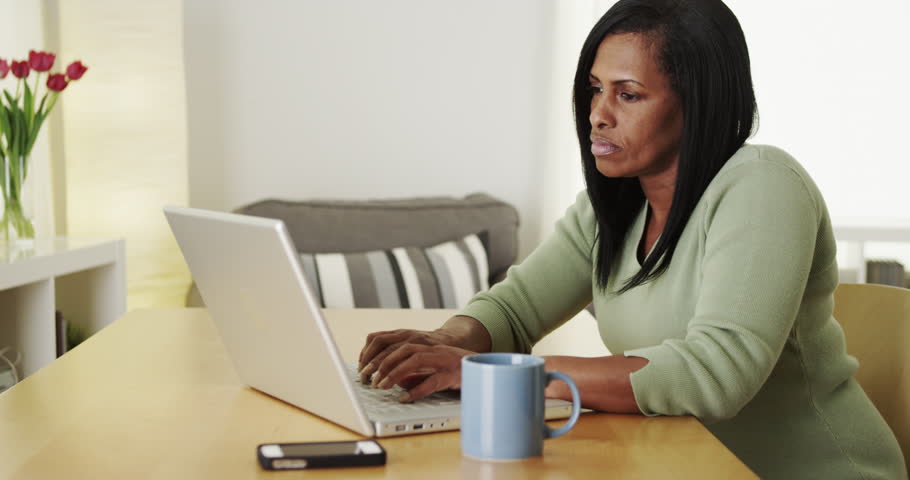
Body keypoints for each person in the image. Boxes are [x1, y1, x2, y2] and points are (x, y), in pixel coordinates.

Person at [356, 0, 907, 477]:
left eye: (629, 95)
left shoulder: (762, 186)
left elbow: (716, 374)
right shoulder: (617, 205)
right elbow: (517, 309)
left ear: (699, 102)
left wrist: (503, 377)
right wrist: (449, 341)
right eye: (595, 89)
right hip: (681, 462)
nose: (597, 115)